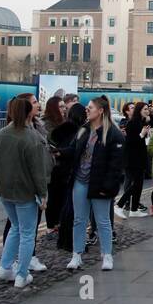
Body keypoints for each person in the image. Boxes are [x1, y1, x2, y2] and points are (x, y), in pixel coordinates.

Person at [0, 95, 51, 288]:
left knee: (15, 228)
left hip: (4, 190)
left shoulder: (0, 134)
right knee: (27, 233)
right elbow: (38, 171)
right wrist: (42, 194)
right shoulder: (32, 138)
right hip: (25, 193)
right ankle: (22, 275)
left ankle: (5, 267)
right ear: (27, 113)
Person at [66, 96, 124, 271]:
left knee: (102, 221)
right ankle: (76, 255)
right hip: (80, 182)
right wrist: (59, 153)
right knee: (79, 220)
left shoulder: (114, 134)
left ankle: (107, 255)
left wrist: (108, 187)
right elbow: (73, 150)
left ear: (100, 111)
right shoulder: (83, 129)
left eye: (90, 107)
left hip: (100, 184)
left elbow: (116, 166)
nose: (87, 109)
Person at [48, 102, 87, 244]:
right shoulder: (79, 131)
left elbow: (55, 148)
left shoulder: (59, 130)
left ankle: (54, 227)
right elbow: (74, 151)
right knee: (69, 206)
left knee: (57, 201)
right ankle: (66, 236)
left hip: (57, 170)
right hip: (70, 171)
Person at [116, 101, 150, 218]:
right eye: (145, 109)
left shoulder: (141, 122)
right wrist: (142, 134)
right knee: (135, 184)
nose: (147, 111)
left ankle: (134, 209)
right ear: (139, 110)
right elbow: (130, 142)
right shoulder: (132, 123)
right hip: (132, 159)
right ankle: (119, 205)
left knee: (139, 184)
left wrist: (145, 134)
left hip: (140, 157)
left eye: (148, 109)